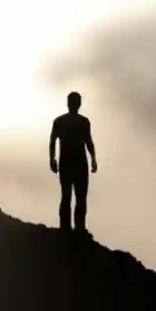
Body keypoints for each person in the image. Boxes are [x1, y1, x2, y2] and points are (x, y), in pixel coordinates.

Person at [49, 91, 97, 233]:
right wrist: (93, 159)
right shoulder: (82, 122)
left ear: (68, 104)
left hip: (69, 162)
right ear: (79, 104)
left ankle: (69, 228)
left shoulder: (60, 121)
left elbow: (52, 142)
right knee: (77, 196)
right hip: (78, 163)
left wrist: (52, 159)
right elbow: (89, 142)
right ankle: (77, 228)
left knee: (68, 196)